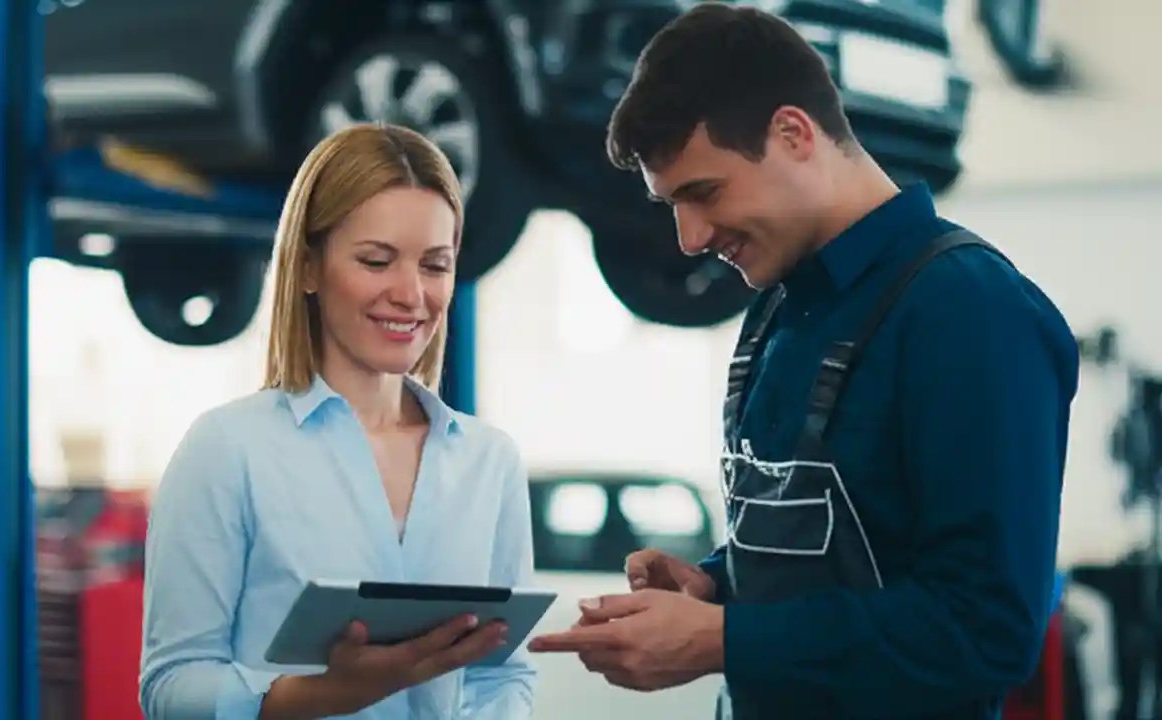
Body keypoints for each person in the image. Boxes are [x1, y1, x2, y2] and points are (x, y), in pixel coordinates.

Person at [527, 4, 1080, 719]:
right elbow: (851, 557)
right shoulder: (779, 309)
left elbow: (986, 629)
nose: (689, 238)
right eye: (670, 205)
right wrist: (716, 587)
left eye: (703, 193)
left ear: (793, 134)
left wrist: (726, 639)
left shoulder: (968, 311)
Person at [139, 123, 538, 720]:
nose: (411, 294)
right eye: (377, 261)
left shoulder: (489, 461)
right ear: (305, 267)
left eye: (435, 266)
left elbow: (505, 673)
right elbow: (170, 686)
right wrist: (313, 697)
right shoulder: (228, 449)